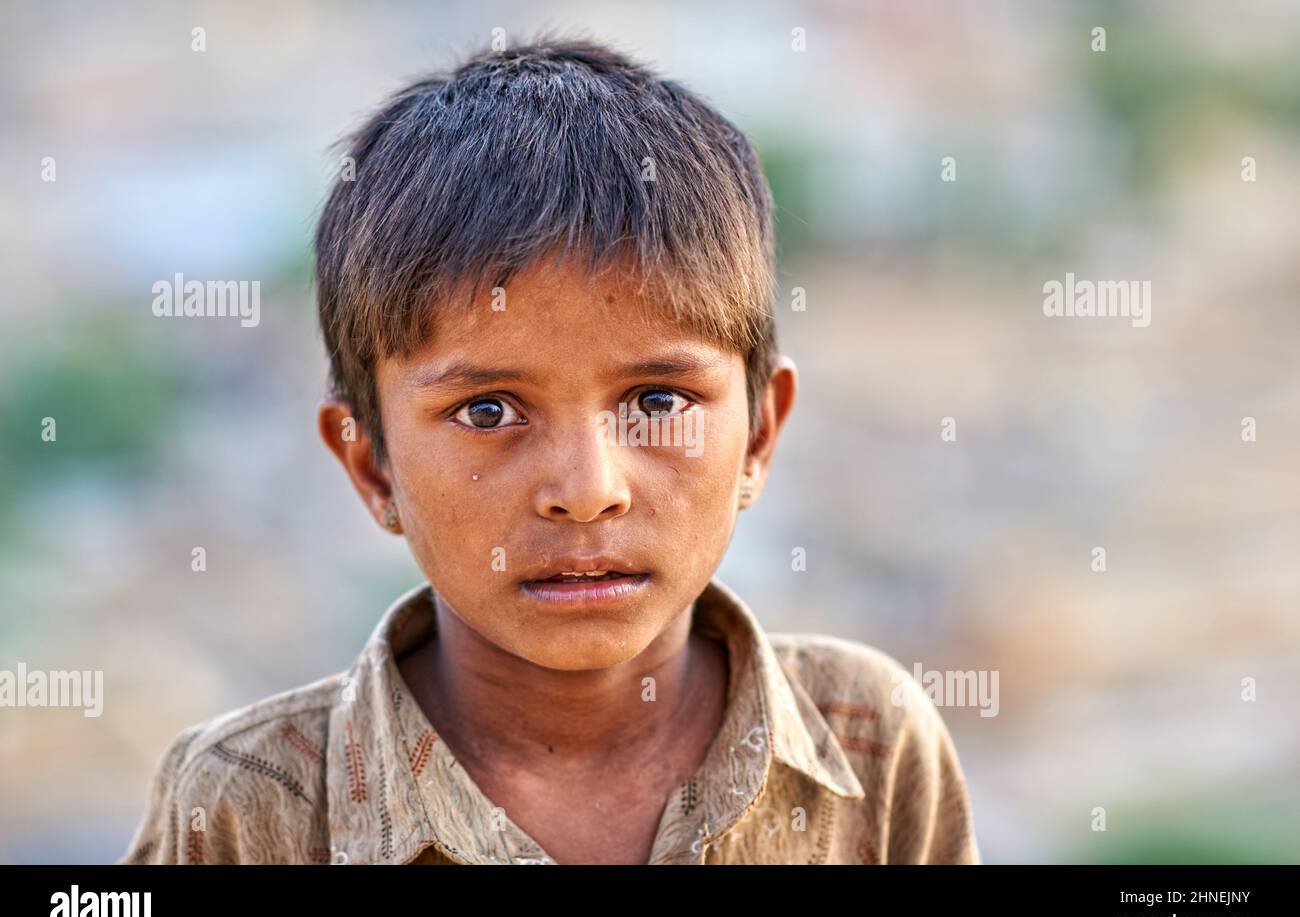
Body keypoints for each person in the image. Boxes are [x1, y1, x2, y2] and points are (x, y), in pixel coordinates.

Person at [118, 36, 980, 865]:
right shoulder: (244, 804)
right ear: (370, 462)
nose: (586, 489)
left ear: (757, 434)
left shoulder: (868, 741)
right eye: (488, 410)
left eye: (656, 401)